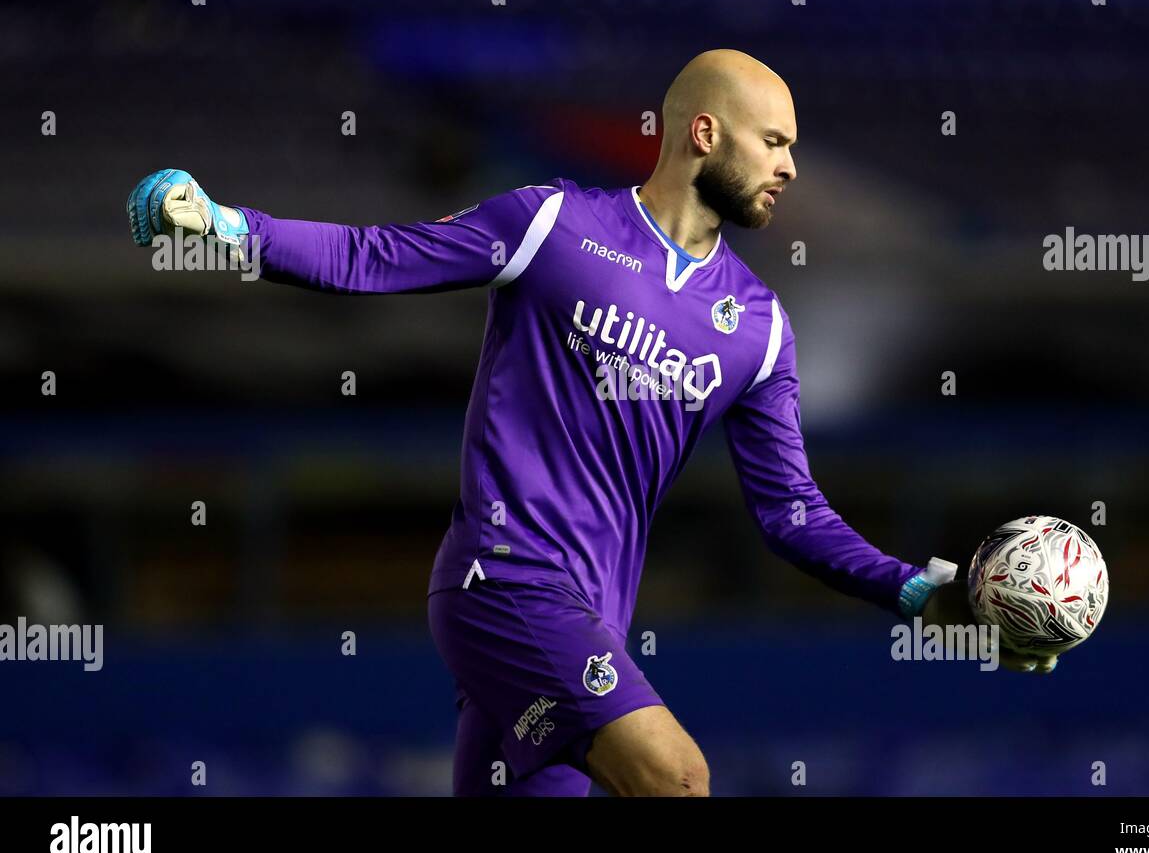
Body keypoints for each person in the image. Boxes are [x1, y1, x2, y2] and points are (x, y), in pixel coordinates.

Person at [127, 49, 1053, 799]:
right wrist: (221, 223)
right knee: (676, 778)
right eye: (773, 141)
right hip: (506, 584)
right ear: (704, 132)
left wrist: (918, 595)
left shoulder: (761, 328)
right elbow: (376, 257)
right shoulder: (553, 226)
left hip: (594, 624)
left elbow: (793, 514)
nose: (790, 166)